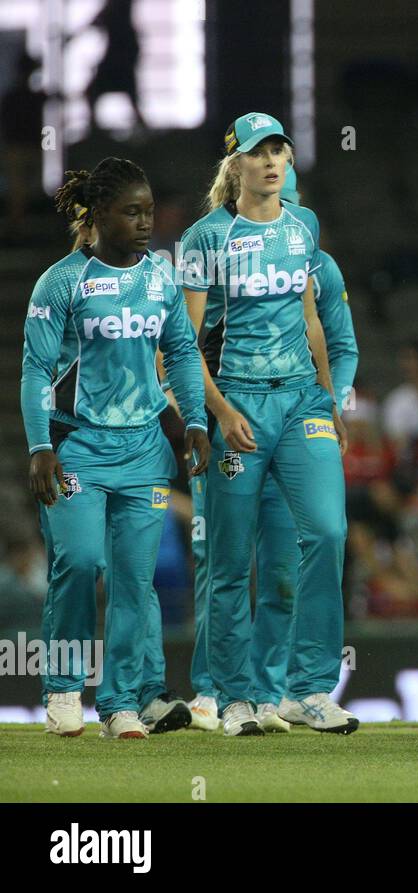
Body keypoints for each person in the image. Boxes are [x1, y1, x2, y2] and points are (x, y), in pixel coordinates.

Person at [179, 113, 354, 736]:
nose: (271, 161)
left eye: (279, 149)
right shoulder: (205, 238)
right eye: (257, 153)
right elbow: (182, 342)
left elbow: (311, 318)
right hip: (240, 406)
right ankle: (233, 697)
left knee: (329, 533)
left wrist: (331, 398)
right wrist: (219, 413)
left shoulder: (303, 225)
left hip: (303, 402)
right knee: (229, 560)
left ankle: (307, 689)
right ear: (235, 166)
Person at [21, 158, 209, 739]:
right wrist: (38, 445)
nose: (146, 222)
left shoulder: (161, 277)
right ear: (99, 215)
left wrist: (196, 421)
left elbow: (179, 351)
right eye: (132, 212)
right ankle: (61, 688)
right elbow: (35, 369)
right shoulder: (61, 282)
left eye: (149, 210)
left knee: (134, 578)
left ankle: (122, 702)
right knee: (78, 562)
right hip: (77, 446)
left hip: (145, 449)